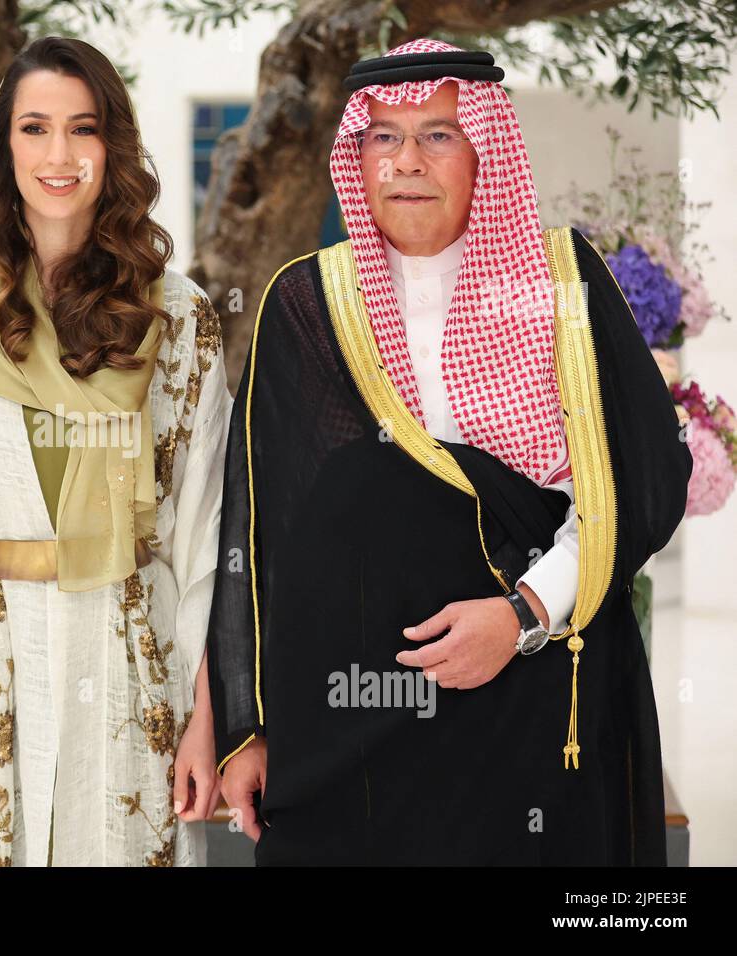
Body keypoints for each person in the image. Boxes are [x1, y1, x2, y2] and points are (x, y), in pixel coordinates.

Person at [208, 38, 691, 866]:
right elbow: (263, 527)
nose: (407, 162)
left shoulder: (566, 284)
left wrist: (522, 616)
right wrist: (247, 725)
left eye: (438, 134)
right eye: (383, 137)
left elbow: (638, 484)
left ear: (485, 150)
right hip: (362, 709)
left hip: (540, 686)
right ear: (356, 156)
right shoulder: (310, 300)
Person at [0, 37, 231, 866]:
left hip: (132, 659)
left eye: (82, 130)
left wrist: (206, 722)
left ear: (112, 146)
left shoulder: (178, 320)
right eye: (34, 128)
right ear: (2, 148)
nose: (58, 155)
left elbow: (203, 531)